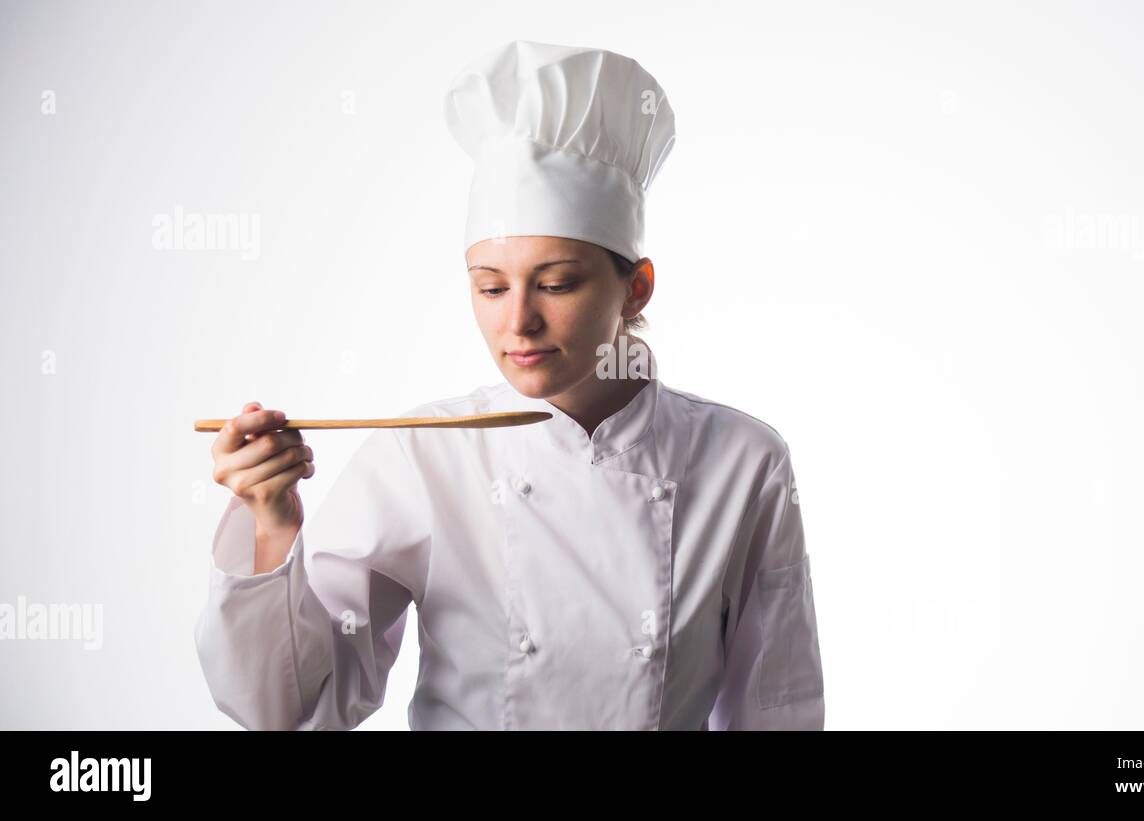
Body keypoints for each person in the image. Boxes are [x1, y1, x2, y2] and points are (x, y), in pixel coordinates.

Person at [194, 40, 824, 730]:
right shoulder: (423, 457)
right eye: (490, 286)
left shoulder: (743, 461)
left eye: (556, 283)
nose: (518, 321)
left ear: (635, 288)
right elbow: (289, 707)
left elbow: (778, 711)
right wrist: (273, 518)